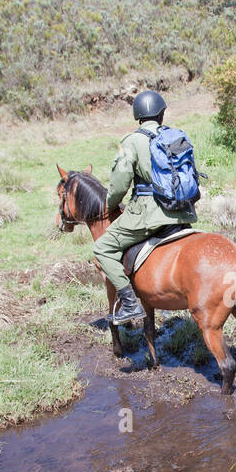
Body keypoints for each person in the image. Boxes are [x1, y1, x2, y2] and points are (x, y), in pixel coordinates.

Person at [93, 90, 197, 325]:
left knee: (102, 248)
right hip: (181, 211)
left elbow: (120, 184)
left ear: (138, 115)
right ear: (162, 114)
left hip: (148, 215)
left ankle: (129, 304)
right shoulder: (176, 137)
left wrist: (110, 205)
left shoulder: (132, 140)